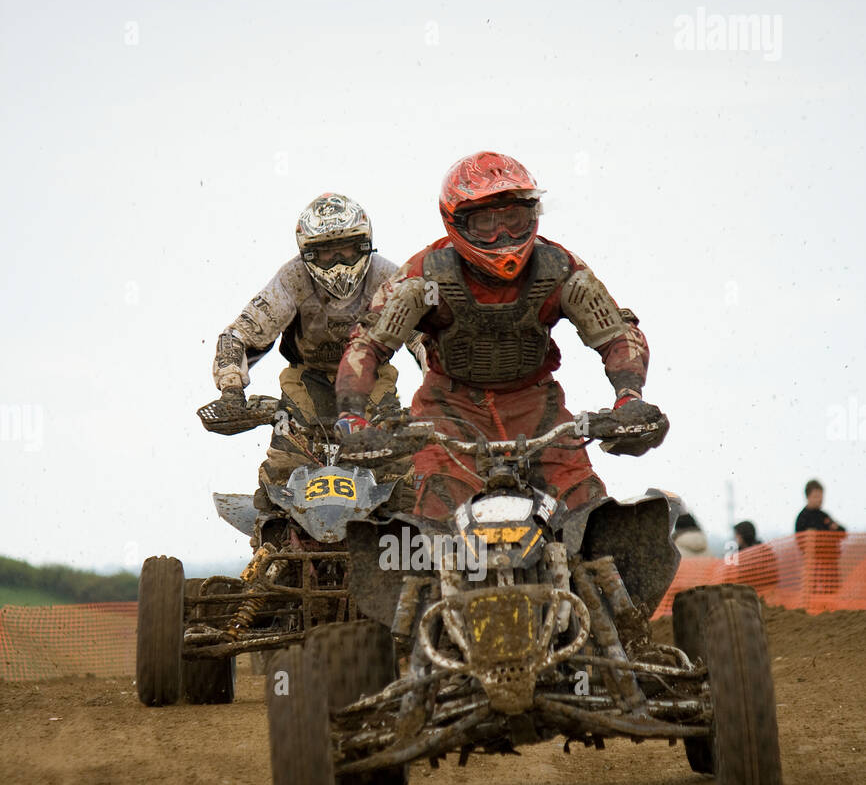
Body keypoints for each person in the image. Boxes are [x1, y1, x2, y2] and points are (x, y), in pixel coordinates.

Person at [334, 151, 667, 521]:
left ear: (532, 216)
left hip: (537, 409)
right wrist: (353, 417)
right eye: (486, 223)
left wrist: (628, 398)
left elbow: (616, 333)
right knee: (430, 524)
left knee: (590, 515)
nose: (503, 235)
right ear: (455, 222)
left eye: (513, 218)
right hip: (448, 411)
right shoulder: (423, 278)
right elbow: (369, 342)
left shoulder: (559, 270)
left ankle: (600, 577)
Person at [210, 193, 425, 524]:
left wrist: (440, 386)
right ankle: (272, 547)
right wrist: (231, 390)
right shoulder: (293, 278)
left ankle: (406, 545)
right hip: (307, 379)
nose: (338, 261)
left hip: (372, 379)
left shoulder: (388, 277)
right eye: (327, 251)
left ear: (365, 244)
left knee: (397, 464)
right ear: (308, 252)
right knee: (282, 465)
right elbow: (240, 335)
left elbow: (424, 338)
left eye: (347, 249)